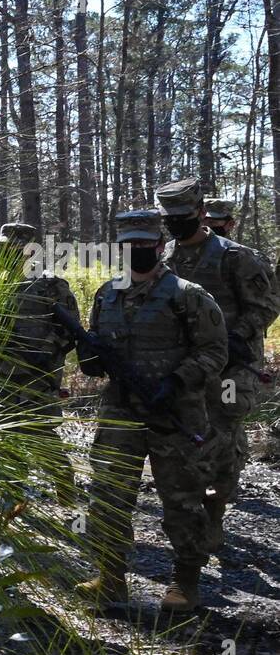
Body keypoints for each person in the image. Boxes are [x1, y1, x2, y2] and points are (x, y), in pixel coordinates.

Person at [75, 209, 227, 612]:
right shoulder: (107, 294)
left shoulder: (188, 295)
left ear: (160, 246)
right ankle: (110, 579)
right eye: (128, 245)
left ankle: (184, 582)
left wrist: (176, 381)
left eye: (145, 244)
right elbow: (96, 352)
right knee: (107, 496)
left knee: (182, 498)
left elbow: (215, 352)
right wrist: (89, 357)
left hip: (174, 414)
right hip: (120, 412)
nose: (137, 251)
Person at [155, 179, 279, 555]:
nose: (176, 223)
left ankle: (215, 514)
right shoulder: (166, 258)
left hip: (232, 369)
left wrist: (233, 337)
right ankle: (195, 512)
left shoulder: (235, 257)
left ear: (200, 213)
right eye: (169, 218)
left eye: (183, 216)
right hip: (186, 367)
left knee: (222, 434)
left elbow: (266, 304)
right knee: (187, 441)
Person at [0, 222, 81, 504]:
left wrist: (42, 354)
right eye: (3, 249)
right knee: (6, 438)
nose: (7, 255)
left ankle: (66, 494)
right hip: (2, 378)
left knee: (41, 435)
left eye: (14, 250)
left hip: (37, 377)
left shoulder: (50, 285)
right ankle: (11, 501)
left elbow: (71, 331)